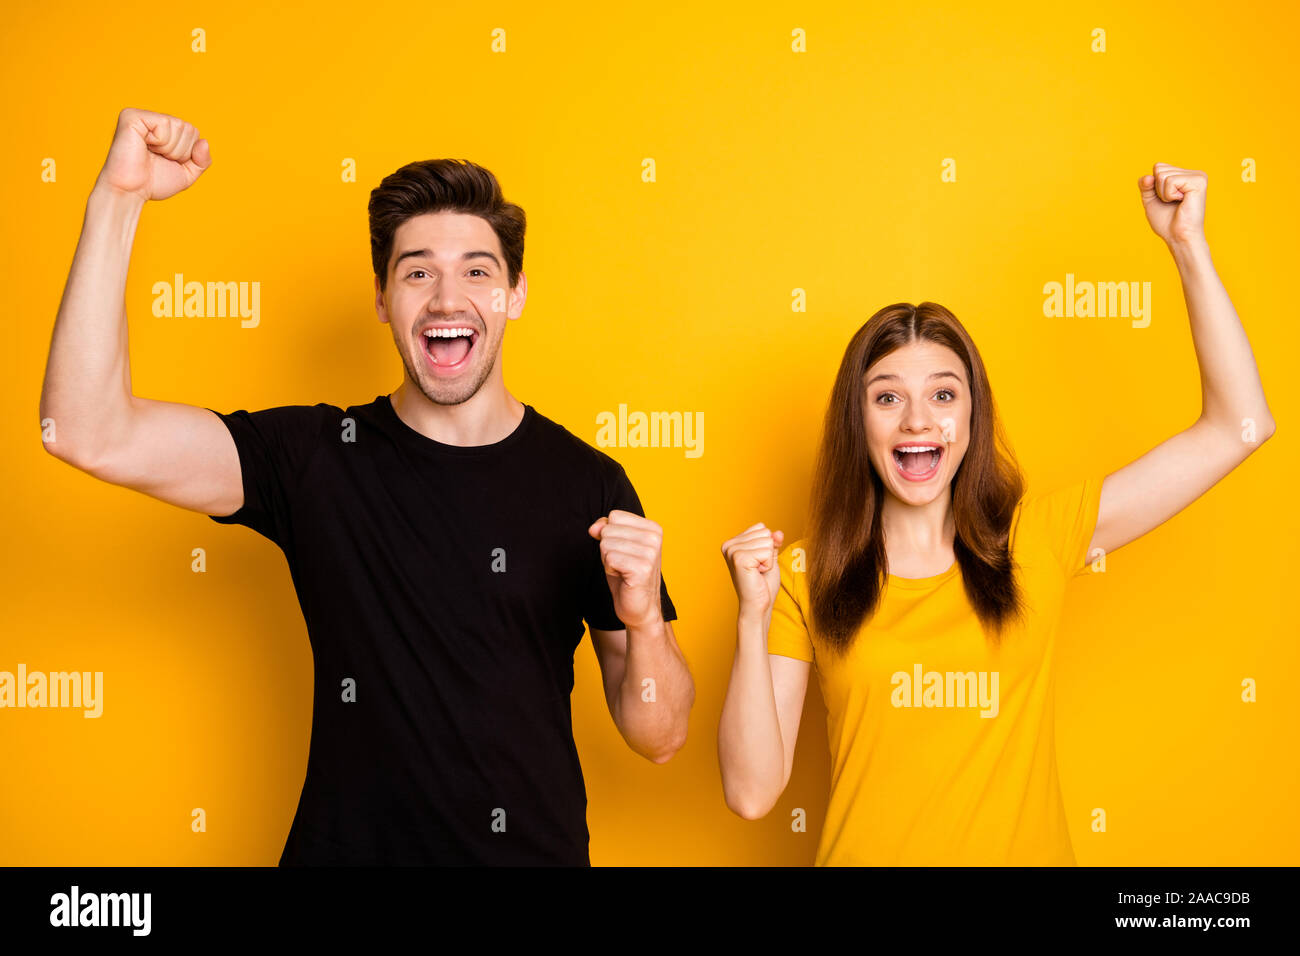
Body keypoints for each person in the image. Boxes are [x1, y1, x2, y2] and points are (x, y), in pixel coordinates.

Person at [39, 107, 693, 866]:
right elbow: (82, 430)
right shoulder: (316, 457)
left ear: (514, 294)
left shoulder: (587, 482)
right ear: (383, 301)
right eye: (417, 271)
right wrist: (118, 198)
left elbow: (662, 737)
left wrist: (644, 620)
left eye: (476, 271)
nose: (448, 298)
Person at [717, 164, 1276, 865]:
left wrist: (1187, 244)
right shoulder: (802, 575)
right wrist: (751, 614)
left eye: (944, 395)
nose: (918, 418)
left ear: (972, 416)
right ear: (856, 422)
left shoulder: (1036, 543)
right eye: (887, 398)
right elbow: (751, 792)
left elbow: (1241, 426)